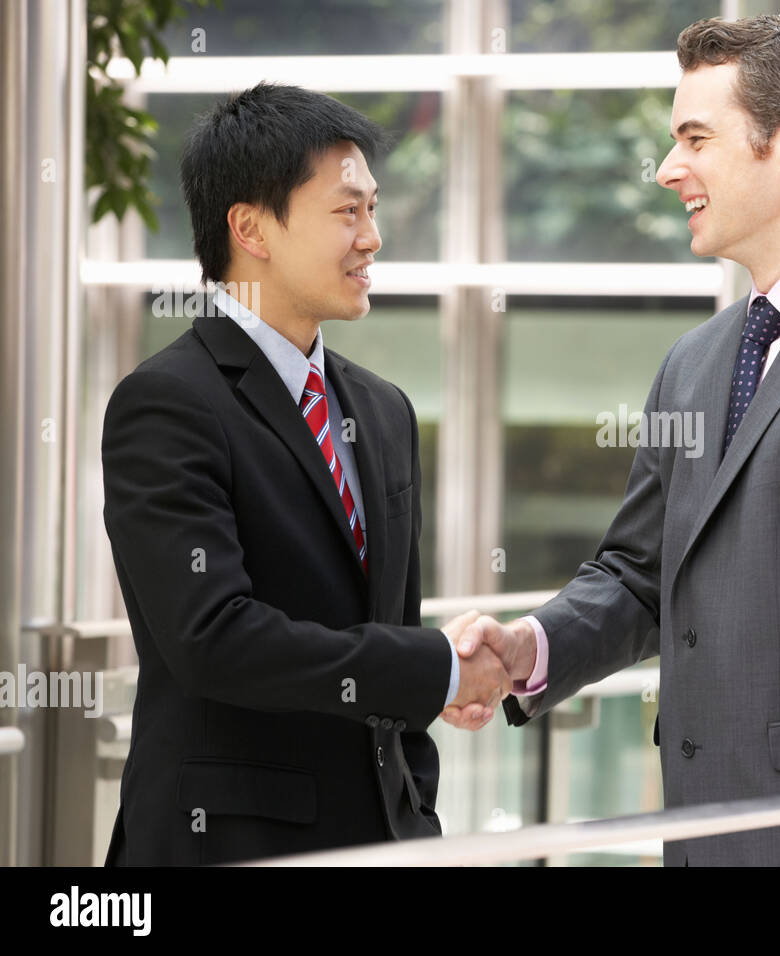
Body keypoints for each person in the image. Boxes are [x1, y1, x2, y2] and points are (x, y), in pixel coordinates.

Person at [445, 14, 780, 866]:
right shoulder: (696, 361)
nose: (669, 170)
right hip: (694, 838)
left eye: (695, 138)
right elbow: (638, 575)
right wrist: (533, 646)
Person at [100, 83, 510, 865]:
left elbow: (386, 621)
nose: (374, 238)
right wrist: (435, 668)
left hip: (384, 843)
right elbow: (213, 638)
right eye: (346, 211)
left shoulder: (383, 410)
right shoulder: (167, 404)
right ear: (251, 227)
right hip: (229, 843)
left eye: (373, 209)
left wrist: (415, 801)